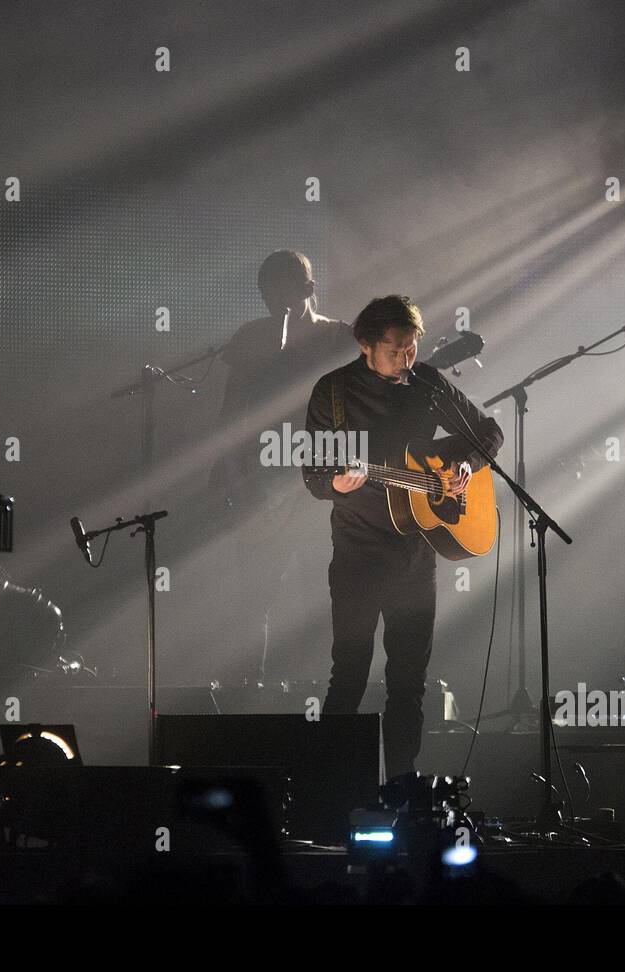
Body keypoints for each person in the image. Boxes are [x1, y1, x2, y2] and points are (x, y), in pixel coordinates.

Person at [302, 295, 504, 777]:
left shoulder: (427, 384)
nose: (406, 360)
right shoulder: (332, 393)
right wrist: (335, 482)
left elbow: (488, 432)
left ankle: (402, 787)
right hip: (357, 554)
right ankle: (329, 787)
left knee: (409, 682)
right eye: (395, 350)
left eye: (412, 349)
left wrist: (461, 466)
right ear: (365, 345)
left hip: (416, 556)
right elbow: (314, 475)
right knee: (348, 675)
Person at [209, 250, 355, 678]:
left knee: (321, 589)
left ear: (309, 289)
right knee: (255, 596)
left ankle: (320, 692)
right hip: (261, 481)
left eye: (283, 295)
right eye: (267, 297)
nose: (274, 305)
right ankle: (249, 692)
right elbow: (231, 413)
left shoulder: (340, 337)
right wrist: (233, 474)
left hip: (321, 483)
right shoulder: (251, 337)